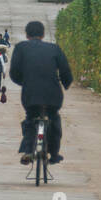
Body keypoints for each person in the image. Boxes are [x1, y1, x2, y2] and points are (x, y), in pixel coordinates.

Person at [8, 20, 72, 165]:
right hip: (53, 95)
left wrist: (25, 82)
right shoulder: (54, 48)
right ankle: (54, 154)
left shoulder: (20, 48)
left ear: (26, 34)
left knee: (30, 119)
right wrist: (66, 83)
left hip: (30, 94)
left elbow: (14, 72)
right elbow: (65, 71)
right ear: (43, 34)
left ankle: (28, 151)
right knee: (54, 119)